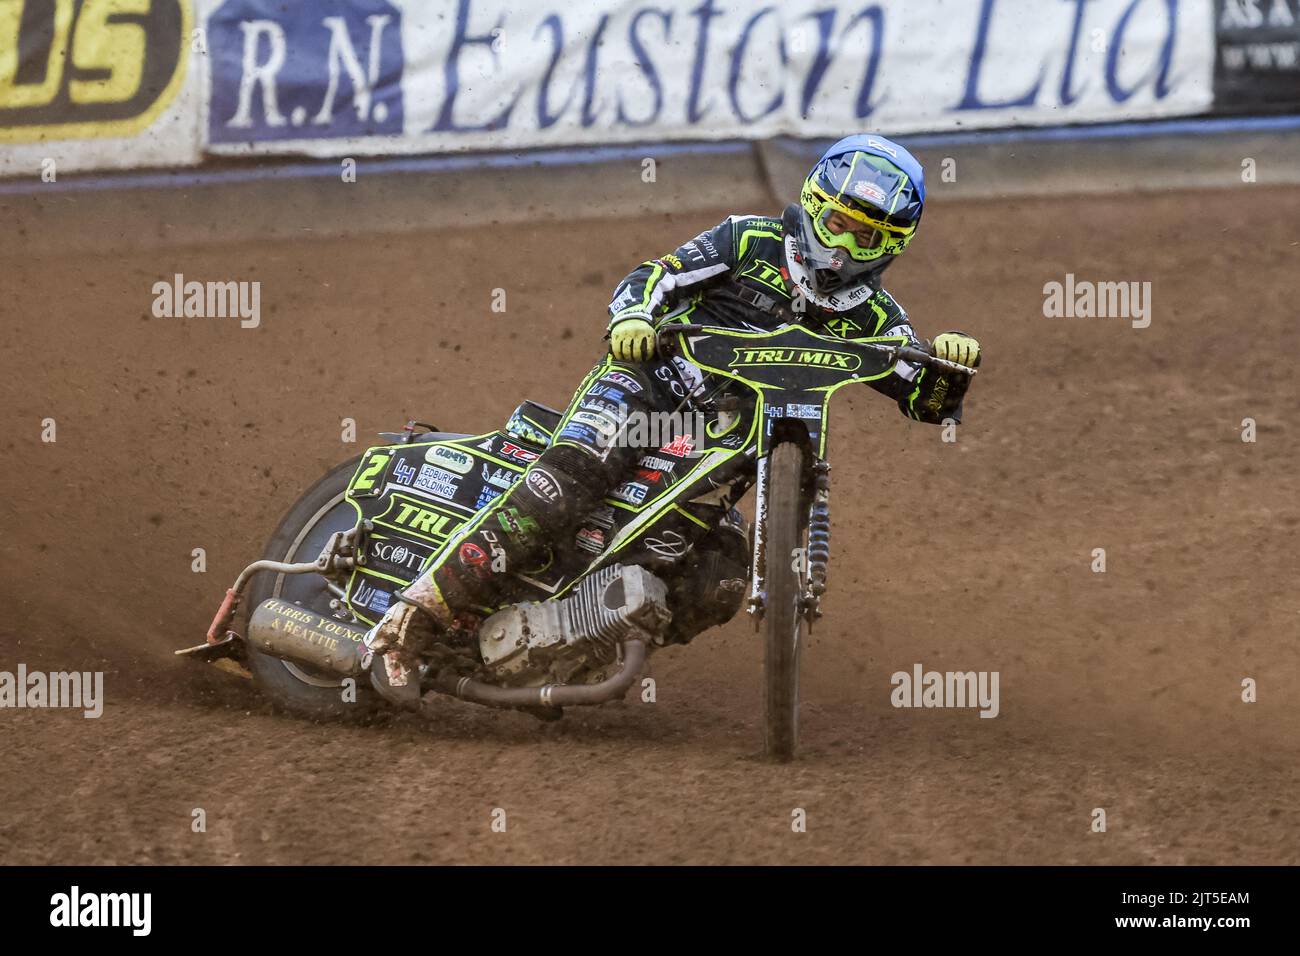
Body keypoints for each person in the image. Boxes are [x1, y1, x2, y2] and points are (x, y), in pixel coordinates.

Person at [366, 133, 982, 701]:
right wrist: (631, 319)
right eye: (840, 224)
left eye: (866, 238)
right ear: (813, 205)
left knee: (718, 576)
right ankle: (413, 617)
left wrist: (948, 367)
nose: (845, 246)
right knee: (570, 481)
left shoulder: (876, 317)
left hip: (714, 448)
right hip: (647, 393)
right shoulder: (749, 241)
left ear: (891, 248)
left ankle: (566, 646)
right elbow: (655, 276)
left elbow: (925, 399)